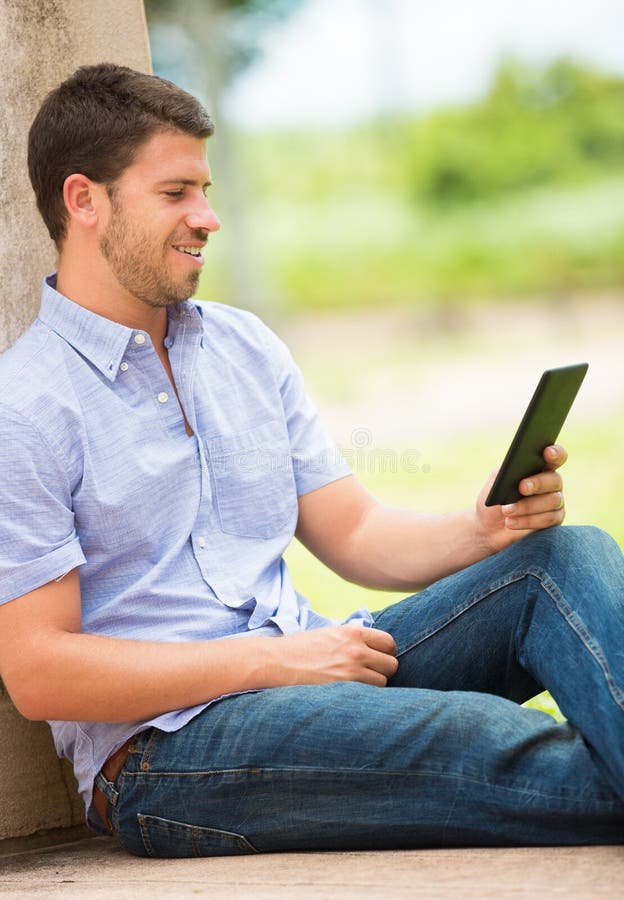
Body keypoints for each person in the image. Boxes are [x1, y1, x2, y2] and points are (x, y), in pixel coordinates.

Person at [0, 63, 622, 858]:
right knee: (498, 739)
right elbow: (38, 670)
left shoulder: (243, 348)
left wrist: (483, 527)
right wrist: (271, 660)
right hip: (171, 753)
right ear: (84, 200)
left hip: (320, 670)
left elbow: (356, 530)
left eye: (206, 188)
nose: (207, 217)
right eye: (175, 193)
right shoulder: (25, 406)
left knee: (562, 558)